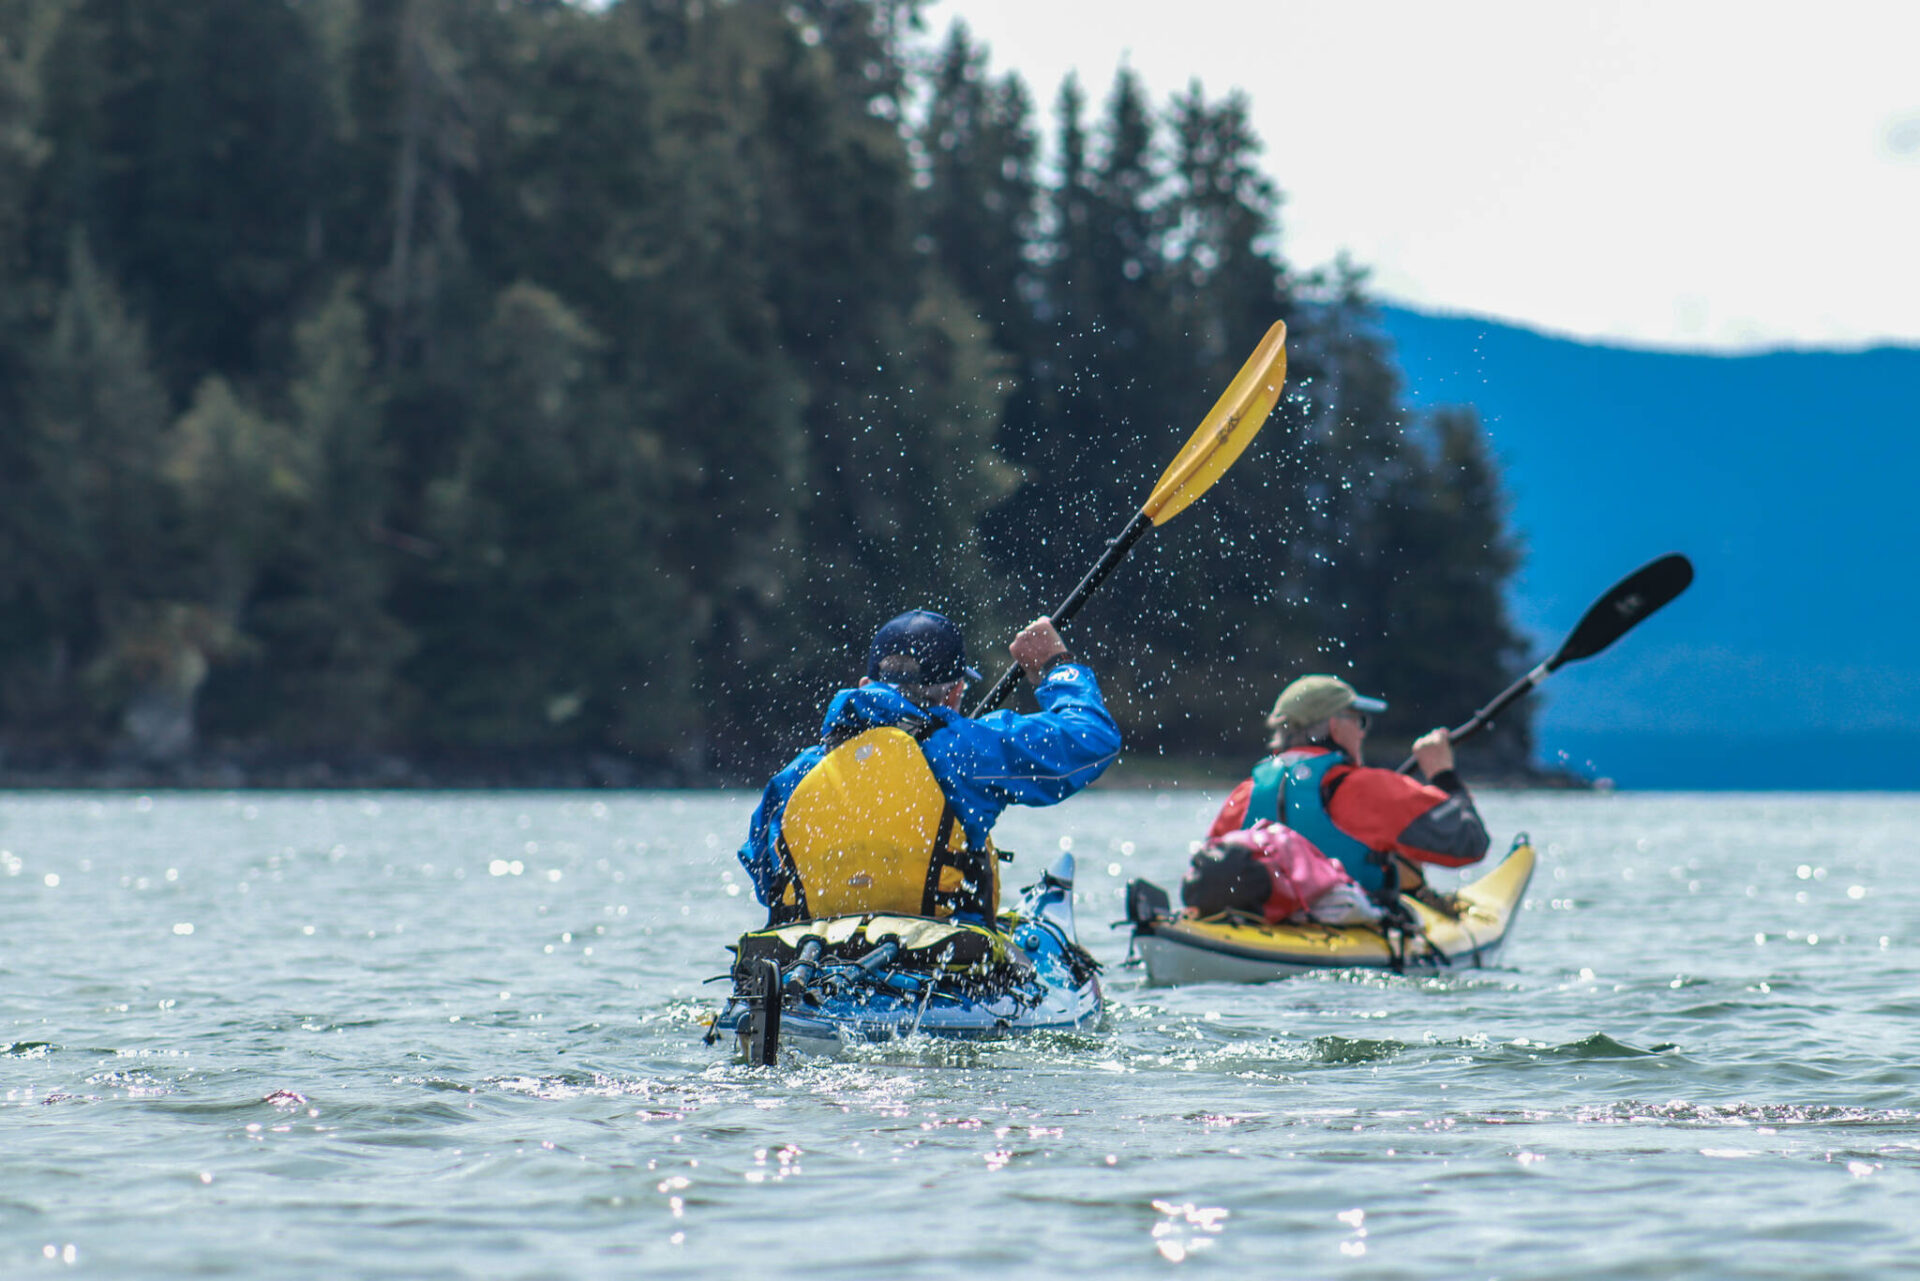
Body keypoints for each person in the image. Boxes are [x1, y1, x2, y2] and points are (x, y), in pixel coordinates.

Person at [738, 609, 1121, 926]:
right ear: (955, 692)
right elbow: (1094, 738)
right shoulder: (967, 752)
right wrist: (1057, 665)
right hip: (942, 972)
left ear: (866, 685)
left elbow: (765, 876)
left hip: (812, 974)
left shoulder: (797, 775)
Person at [1205, 674, 1488, 904]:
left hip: (1262, 923)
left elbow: (1211, 870)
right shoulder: (1369, 788)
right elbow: (1470, 843)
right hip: (1351, 930)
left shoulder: (1245, 793)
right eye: (1357, 720)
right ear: (1334, 726)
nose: (1362, 732)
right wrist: (1443, 774)